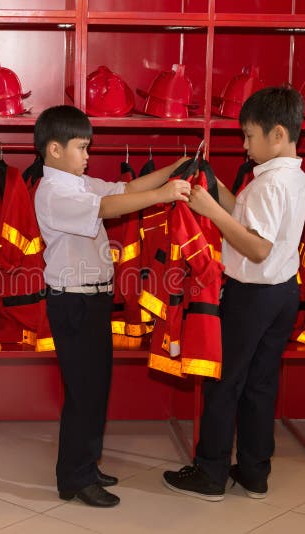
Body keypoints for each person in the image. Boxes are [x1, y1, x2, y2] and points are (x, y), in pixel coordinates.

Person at [33, 105, 190, 507]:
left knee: (97, 388)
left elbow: (126, 190)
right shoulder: (53, 192)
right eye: (82, 147)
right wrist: (167, 194)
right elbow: (107, 209)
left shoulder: (78, 183)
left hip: (94, 300)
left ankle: (86, 463)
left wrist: (177, 169)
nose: (87, 156)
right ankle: (74, 478)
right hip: (73, 303)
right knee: (84, 393)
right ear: (54, 149)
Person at [162, 86, 305, 501]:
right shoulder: (291, 176)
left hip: (252, 296)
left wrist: (208, 210)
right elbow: (245, 217)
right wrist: (214, 185)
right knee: (260, 384)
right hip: (282, 294)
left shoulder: (268, 185)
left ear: (277, 134)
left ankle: (209, 473)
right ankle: (253, 472)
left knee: (223, 383)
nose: (244, 145)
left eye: (249, 135)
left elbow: (256, 246)